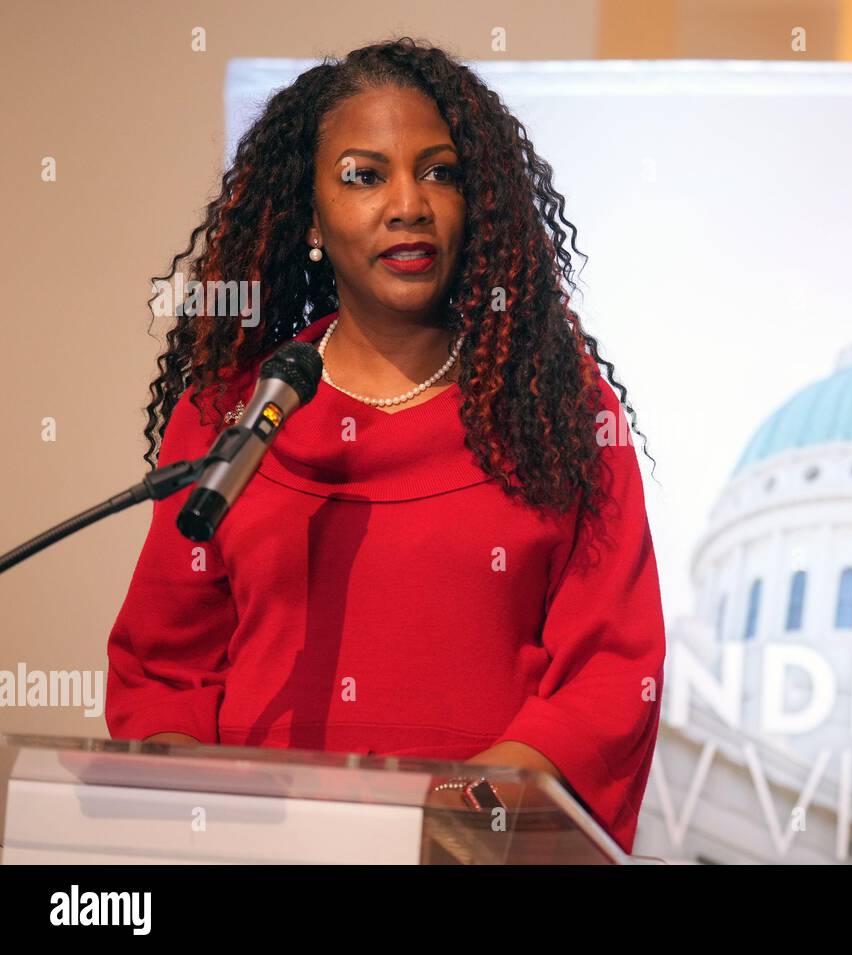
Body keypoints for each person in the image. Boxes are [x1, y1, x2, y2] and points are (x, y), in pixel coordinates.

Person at [106, 37, 665, 856]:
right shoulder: (235, 410)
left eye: (440, 172)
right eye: (365, 176)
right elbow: (164, 671)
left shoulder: (558, 408)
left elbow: (614, 672)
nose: (409, 203)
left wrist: (447, 814)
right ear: (308, 214)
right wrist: (203, 805)